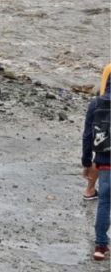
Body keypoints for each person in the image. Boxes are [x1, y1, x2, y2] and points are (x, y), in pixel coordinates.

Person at [82, 64, 111, 261]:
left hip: (105, 162)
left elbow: (87, 135)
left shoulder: (96, 103)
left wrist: (86, 162)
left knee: (104, 202)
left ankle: (100, 246)